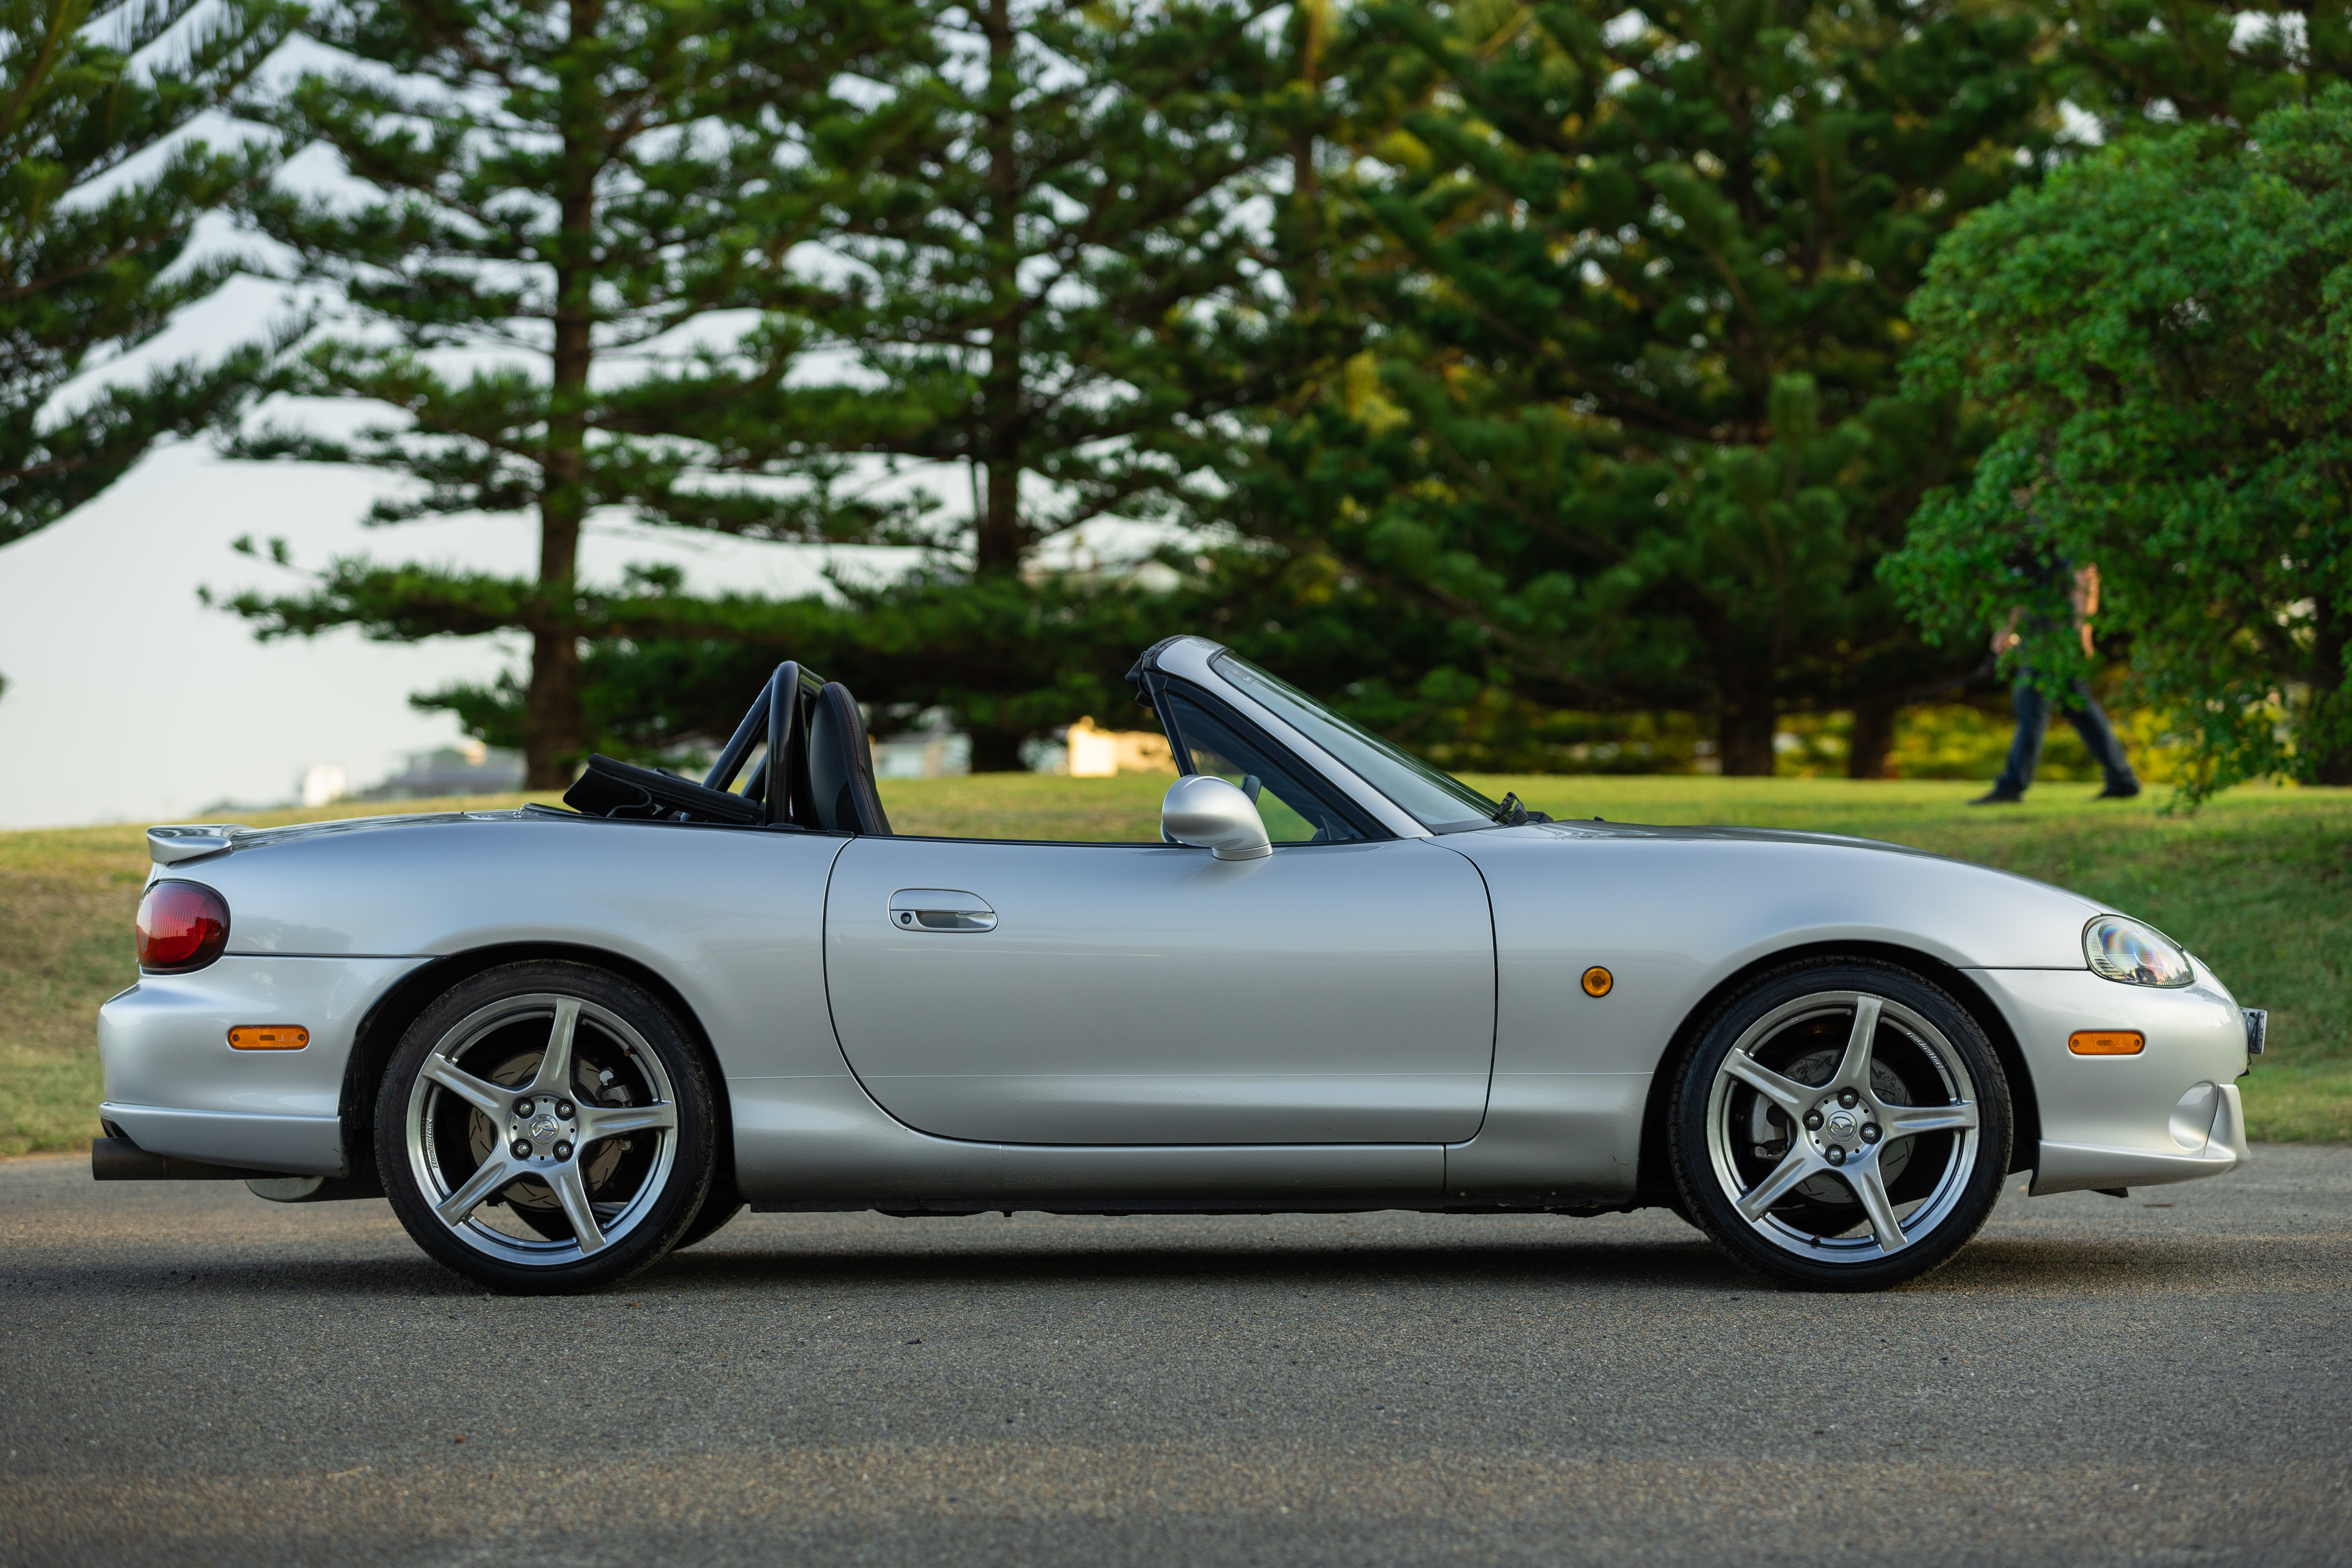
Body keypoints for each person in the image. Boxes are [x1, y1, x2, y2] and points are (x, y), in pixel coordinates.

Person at [1972, 561, 2139, 804]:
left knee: (2033, 708)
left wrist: (2083, 631)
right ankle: (2121, 778)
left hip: (2057, 640)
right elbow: (2028, 590)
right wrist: (2009, 627)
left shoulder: (2059, 536)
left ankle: (2012, 785)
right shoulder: (2032, 542)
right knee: (2079, 708)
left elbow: (2086, 577)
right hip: (2042, 638)